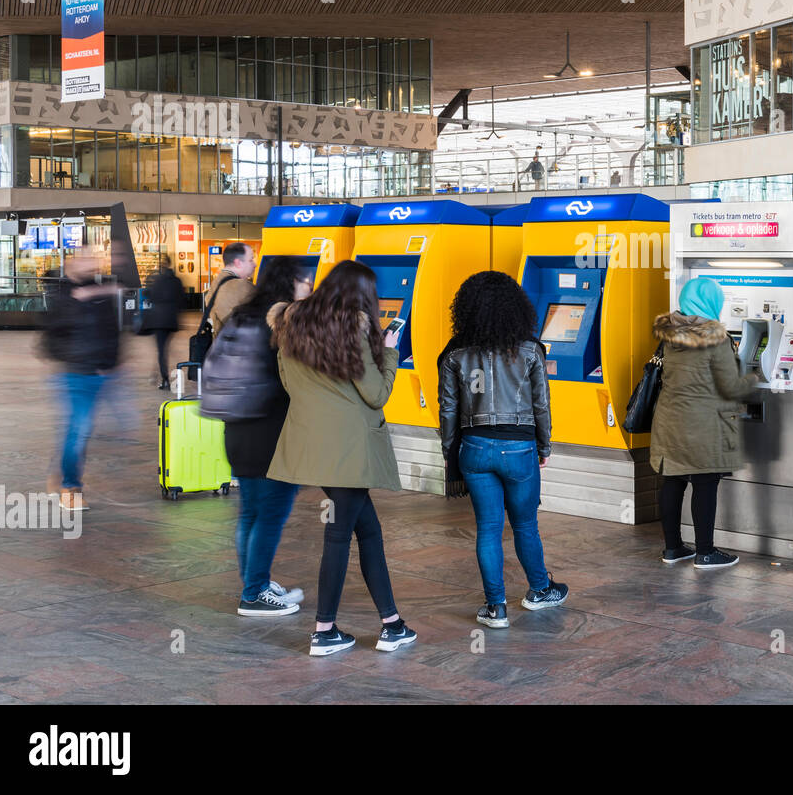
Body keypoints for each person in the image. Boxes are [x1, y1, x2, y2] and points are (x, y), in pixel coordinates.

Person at [267, 260, 416, 656]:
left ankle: (392, 624)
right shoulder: (354, 330)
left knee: (367, 531)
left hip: (311, 445)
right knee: (338, 536)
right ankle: (324, 631)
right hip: (349, 451)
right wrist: (390, 354)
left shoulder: (291, 325)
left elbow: (288, 383)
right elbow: (376, 394)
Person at [438, 272, 567, 630]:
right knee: (526, 524)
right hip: (520, 447)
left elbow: (448, 409)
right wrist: (545, 445)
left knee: (488, 528)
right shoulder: (530, 349)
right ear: (515, 308)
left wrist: (451, 452)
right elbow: (542, 405)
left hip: (474, 448)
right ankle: (539, 590)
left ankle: (496, 608)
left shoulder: (454, 352)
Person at [209, 256, 314, 617]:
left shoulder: (241, 316)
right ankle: (254, 594)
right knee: (269, 516)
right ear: (290, 284)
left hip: (238, 429)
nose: (309, 289)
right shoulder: (282, 322)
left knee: (250, 514)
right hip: (272, 435)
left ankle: (255, 582)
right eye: (305, 282)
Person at [649, 277, 759, 569]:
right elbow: (730, 385)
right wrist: (753, 379)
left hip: (670, 417)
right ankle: (706, 552)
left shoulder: (670, 334)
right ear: (712, 303)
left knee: (672, 481)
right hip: (702, 422)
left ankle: (673, 548)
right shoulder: (716, 337)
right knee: (705, 482)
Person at [38, 252, 121, 512]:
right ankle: (70, 487)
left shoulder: (99, 295)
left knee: (81, 432)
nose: (91, 263)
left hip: (99, 373)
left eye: (93, 259)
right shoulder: (63, 295)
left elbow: (112, 331)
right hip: (74, 373)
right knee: (79, 429)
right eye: (84, 259)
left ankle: (60, 473)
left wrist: (110, 364)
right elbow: (51, 334)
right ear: (71, 264)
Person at [144, 253, 184, 390]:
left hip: (158, 320)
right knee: (164, 348)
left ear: (161, 265)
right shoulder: (177, 281)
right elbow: (182, 300)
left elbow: (151, 298)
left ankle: (165, 378)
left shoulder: (157, 280)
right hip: (171, 320)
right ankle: (158, 373)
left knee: (161, 350)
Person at [203, 242, 256, 337]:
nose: (255, 264)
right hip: (241, 348)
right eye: (251, 260)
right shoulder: (243, 287)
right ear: (238, 263)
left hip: (221, 347)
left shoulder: (217, 283)